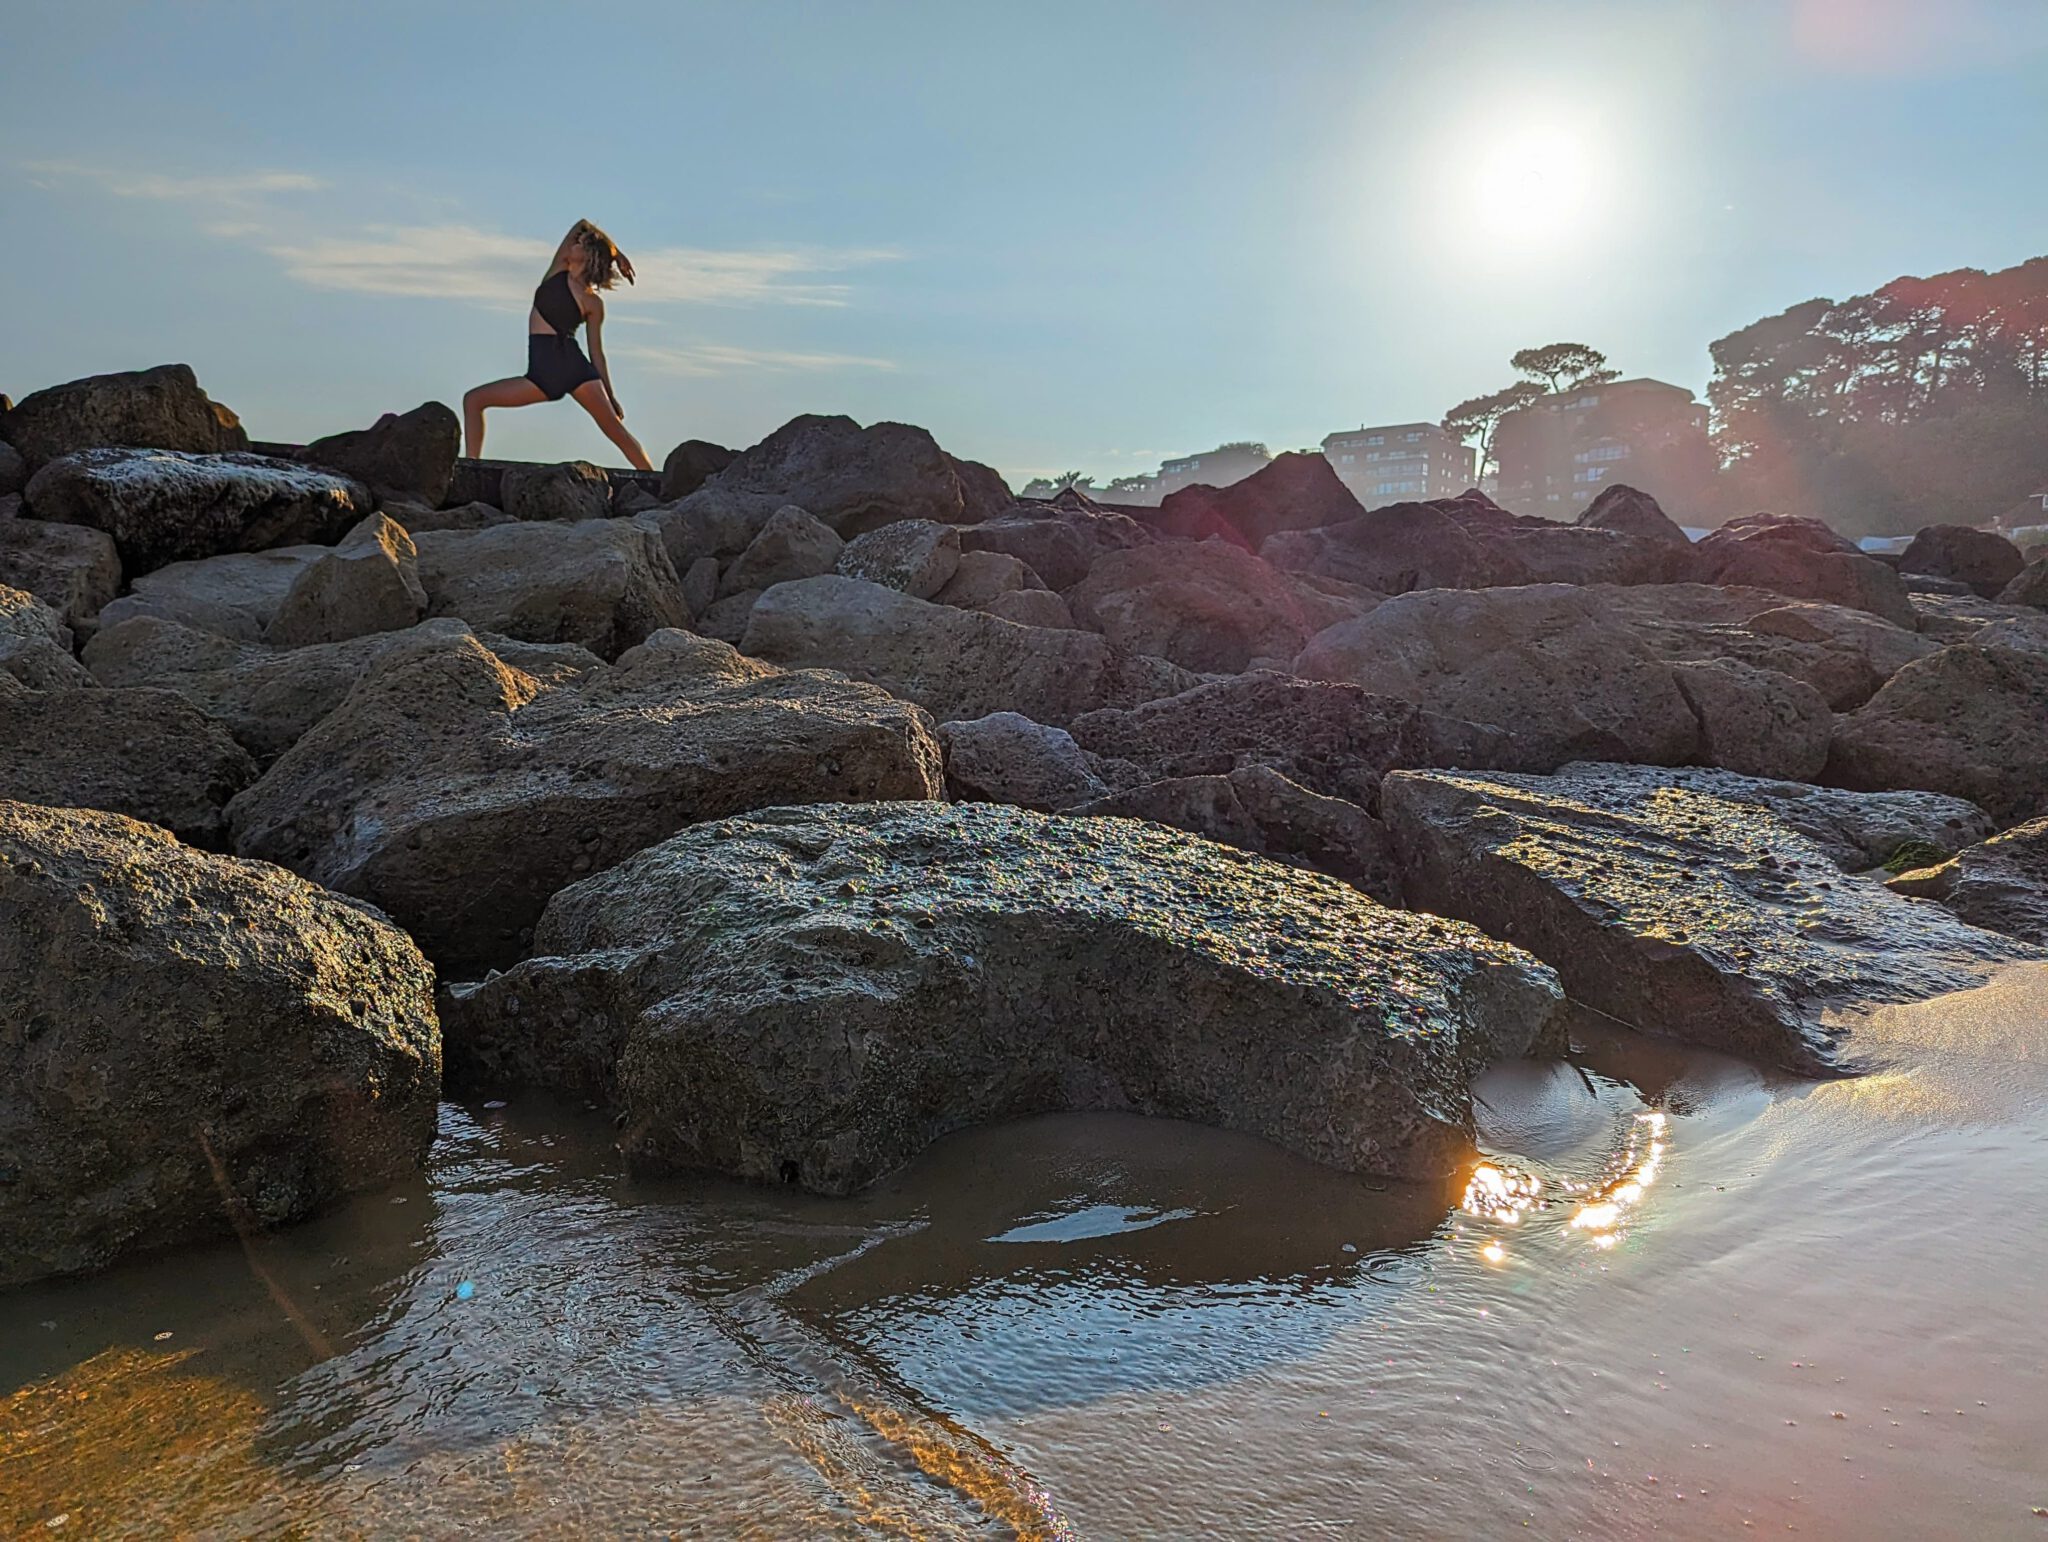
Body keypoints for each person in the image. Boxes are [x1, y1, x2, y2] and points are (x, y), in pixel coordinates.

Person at [462, 220, 654, 470]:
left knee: (616, 431)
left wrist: (610, 395)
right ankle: (471, 466)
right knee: (474, 400)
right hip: (553, 372)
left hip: (559, 369)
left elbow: (597, 352)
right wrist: (617, 253)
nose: (573, 244)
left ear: (588, 254)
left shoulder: (587, 297)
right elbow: (583, 224)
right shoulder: (562, 274)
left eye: (580, 244)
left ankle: (654, 481)